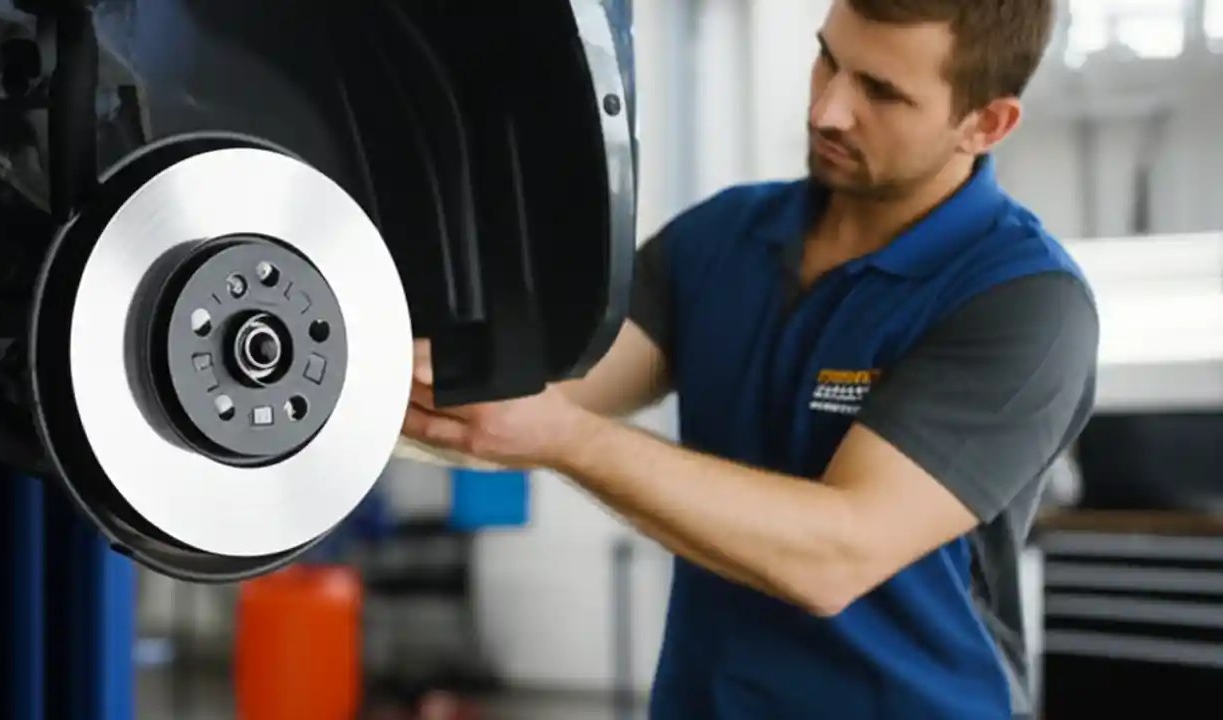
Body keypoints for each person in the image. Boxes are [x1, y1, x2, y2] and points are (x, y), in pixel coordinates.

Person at [401, 0, 1098, 718]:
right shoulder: (723, 238)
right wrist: (369, 372)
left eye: (881, 91)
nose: (828, 110)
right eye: (828, 58)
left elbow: (837, 555)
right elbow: (533, 397)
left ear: (986, 124)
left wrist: (562, 439)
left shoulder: (1023, 301)